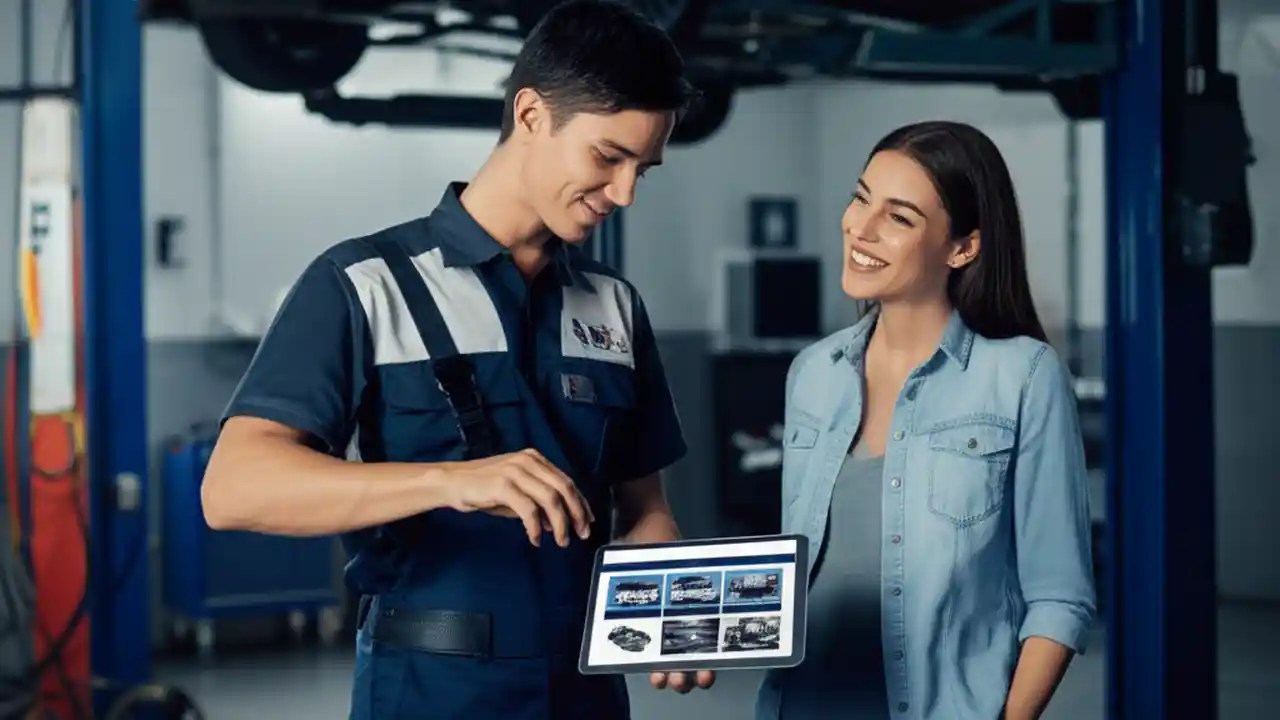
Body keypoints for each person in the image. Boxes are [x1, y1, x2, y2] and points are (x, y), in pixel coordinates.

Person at [201, 1, 715, 717]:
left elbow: (645, 510)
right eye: (608, 157)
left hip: (587, 693)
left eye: (642, 170)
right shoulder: (365, 285)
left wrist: (674, 615)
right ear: (531, 114)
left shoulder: (613, 305)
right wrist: (449, 481)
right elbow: (233, 490)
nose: (624, 193)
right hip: (428, 689)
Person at [756, 121, 1096, 720]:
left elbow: (1059, 598)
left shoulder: (1023, 376)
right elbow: (796, 575)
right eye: (861, 198)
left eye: (899, 216)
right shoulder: (813, 373)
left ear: (963, 247)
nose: (860, 227)